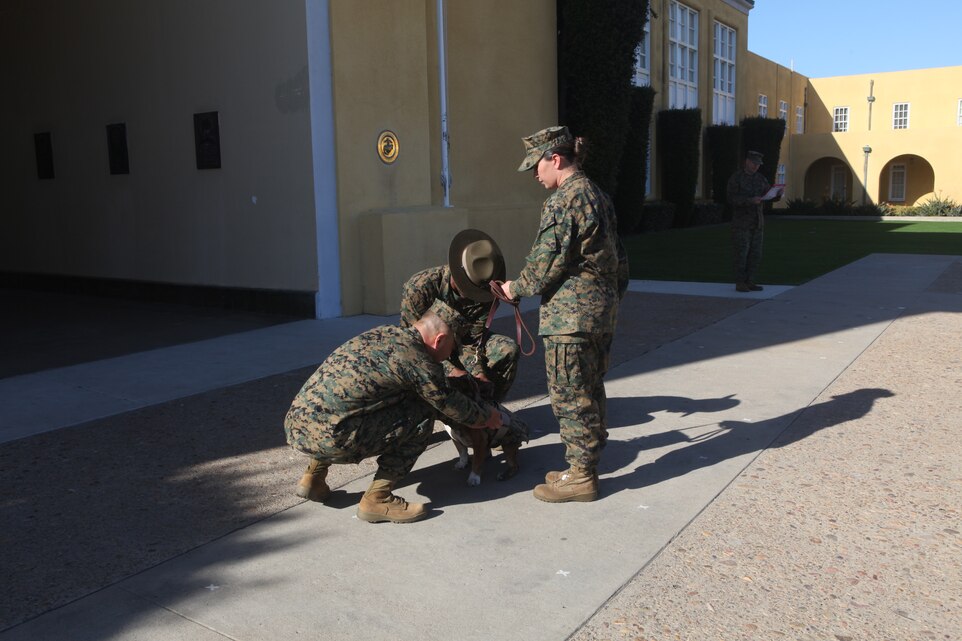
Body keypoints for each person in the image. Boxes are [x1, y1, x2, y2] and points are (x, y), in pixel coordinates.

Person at [283, 299, 503, 524]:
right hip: (333, 439)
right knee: (424, 412)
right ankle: (378, 498)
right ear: (440, 340)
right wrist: (487, 416)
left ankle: (313, 477)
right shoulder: (417, 358)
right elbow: (447, 402)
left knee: (345, 407)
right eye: (451, 348)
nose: (449, 356)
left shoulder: (385, 333)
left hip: (297, 425)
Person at [499, 125, 628, 503]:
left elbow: (544, 264)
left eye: (536, 166)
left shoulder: (564, 199)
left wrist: (514, 288)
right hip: (599, 312)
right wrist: (610, 300)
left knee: (570, 394)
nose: (535, 175)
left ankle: (582, 476)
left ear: (555, 159)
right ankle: (583, 464)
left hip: (570, 319)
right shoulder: (597, 194)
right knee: (590, 389)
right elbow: (620, 259)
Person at [399, 229, 520, 404]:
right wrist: (451, 370)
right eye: (468, 286)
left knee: (508, 349)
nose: (473, 294)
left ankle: (486, 410)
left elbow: (474, 340)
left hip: (461, 344)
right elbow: (411, 345)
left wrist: (478, 373)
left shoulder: (484, 288)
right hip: (428, 348)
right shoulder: (420, 287)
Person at [727, 150, 778, 292]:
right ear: (747, 162)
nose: (756, 166)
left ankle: (750, 281)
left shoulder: (760, 178)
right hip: (741, 224)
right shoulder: (736, 178)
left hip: (757, 223)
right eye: (754, 163)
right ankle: (740, 282)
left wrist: (776, 193)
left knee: (755, 254)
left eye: (758, 164)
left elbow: (767, 194)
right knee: (741, 254)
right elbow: (731, 199)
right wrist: (749, 201)